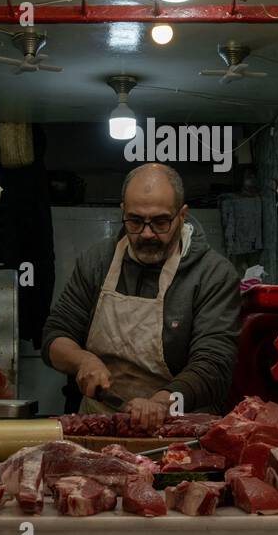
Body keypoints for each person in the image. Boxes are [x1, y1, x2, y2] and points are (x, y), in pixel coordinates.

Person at [41, 163, 241, 431]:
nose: (147, 234)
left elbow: (214, 366)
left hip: (181, 429)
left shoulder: (213, 274)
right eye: (135, 221)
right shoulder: (97, 262)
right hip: (103, 423)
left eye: (160, 222)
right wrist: (83, 360)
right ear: (123, 212)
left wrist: (161, 403)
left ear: (182, 215)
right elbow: (54, 337)